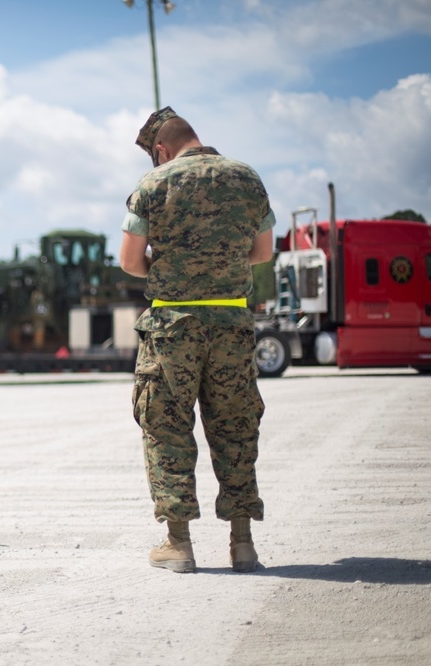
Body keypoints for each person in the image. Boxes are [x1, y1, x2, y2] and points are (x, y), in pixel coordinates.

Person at [119, 107, 276, 573]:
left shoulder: (153, 184)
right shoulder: (246, 178)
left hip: (173, 327)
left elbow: (129, 261)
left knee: (167, 428)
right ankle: (242, 544)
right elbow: (263, 252)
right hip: (231, 324)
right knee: (235, 428)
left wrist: (175, 270)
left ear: (161, 150)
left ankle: (179, 544)